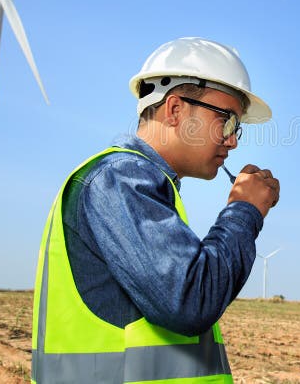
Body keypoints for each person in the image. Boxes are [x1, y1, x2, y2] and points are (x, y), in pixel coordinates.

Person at [31, 37, 280, 384]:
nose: (233, 139)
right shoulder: (119, 180)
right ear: (175, 109)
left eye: (236, 128)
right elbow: (192, 299)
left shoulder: (145, 185)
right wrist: (244, 211)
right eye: (226, 121)